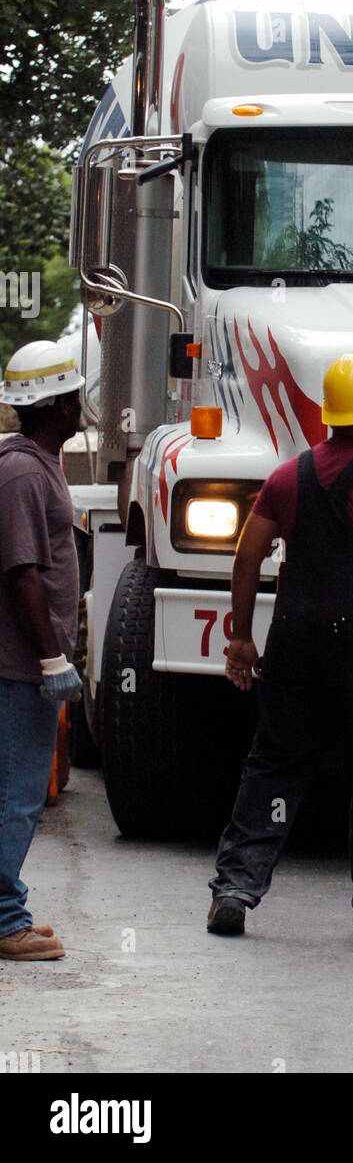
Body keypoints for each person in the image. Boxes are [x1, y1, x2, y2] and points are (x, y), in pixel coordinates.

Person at [207, 352, 353, 935]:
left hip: (295, 639)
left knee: (274, 763)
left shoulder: (286, 477)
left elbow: (246, 558)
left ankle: (235, 886)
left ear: (329, 413)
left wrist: (242, 638)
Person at [0, 341, 86, 961]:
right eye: (75, 393)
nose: (83, 401)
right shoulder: (26, 471)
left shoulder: (34, 462)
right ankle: (6, 922)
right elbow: (23, 572)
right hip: (17, 666)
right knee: (17, 794)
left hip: (20, 662)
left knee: (18, 790)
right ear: (58, 404)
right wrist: (52, 659)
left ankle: (10, 908)